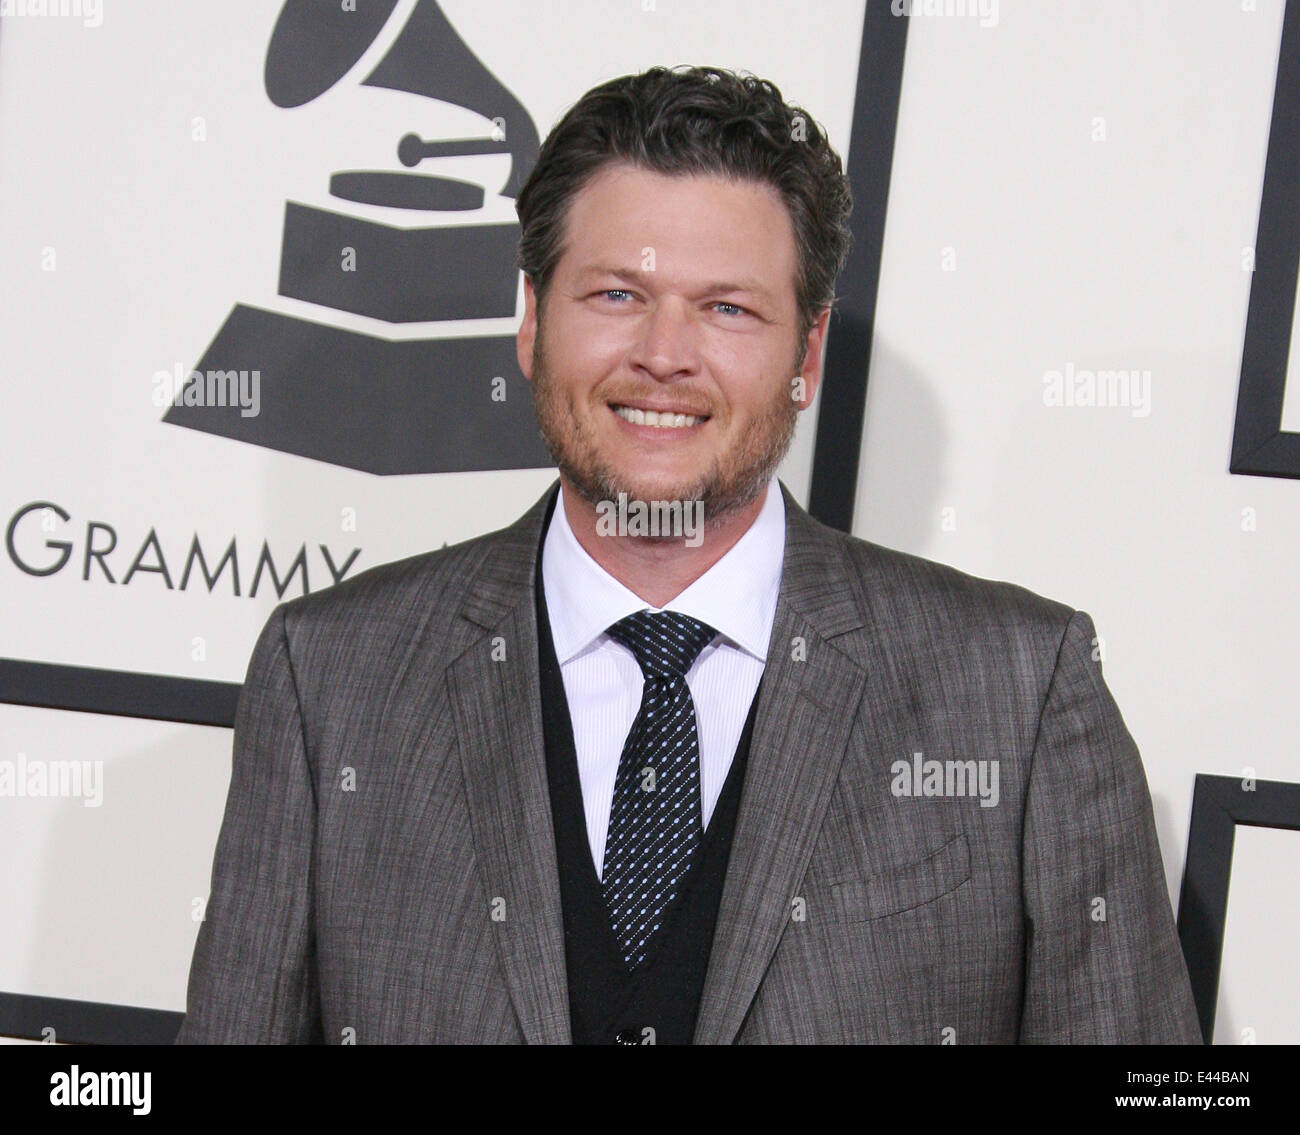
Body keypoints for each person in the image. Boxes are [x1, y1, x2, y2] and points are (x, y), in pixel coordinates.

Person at [176, 65, 1202, 1045]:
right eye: (616, 294)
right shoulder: (332, 678)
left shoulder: (1018, 689)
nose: (664, 354)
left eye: (727, 308)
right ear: (532, 321)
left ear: (804, 353)